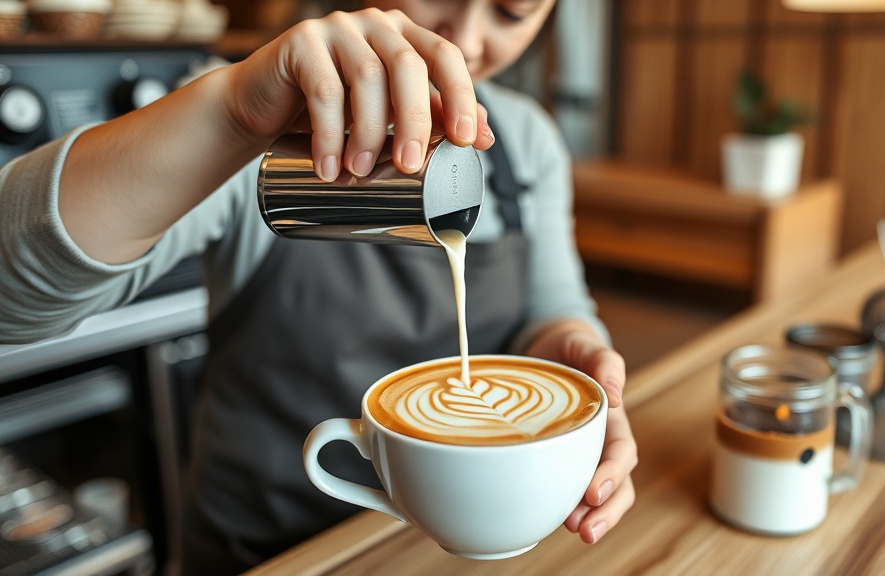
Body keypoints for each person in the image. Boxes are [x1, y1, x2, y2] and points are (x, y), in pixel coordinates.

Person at [0, 1, 637, 573]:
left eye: (511, 12)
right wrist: (229, 115)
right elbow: (13, 303)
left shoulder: (526, 141)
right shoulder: (258, 120)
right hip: (268, 554)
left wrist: (572, 346)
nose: (466, 37)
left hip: (449, 557)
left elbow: (553, 307)